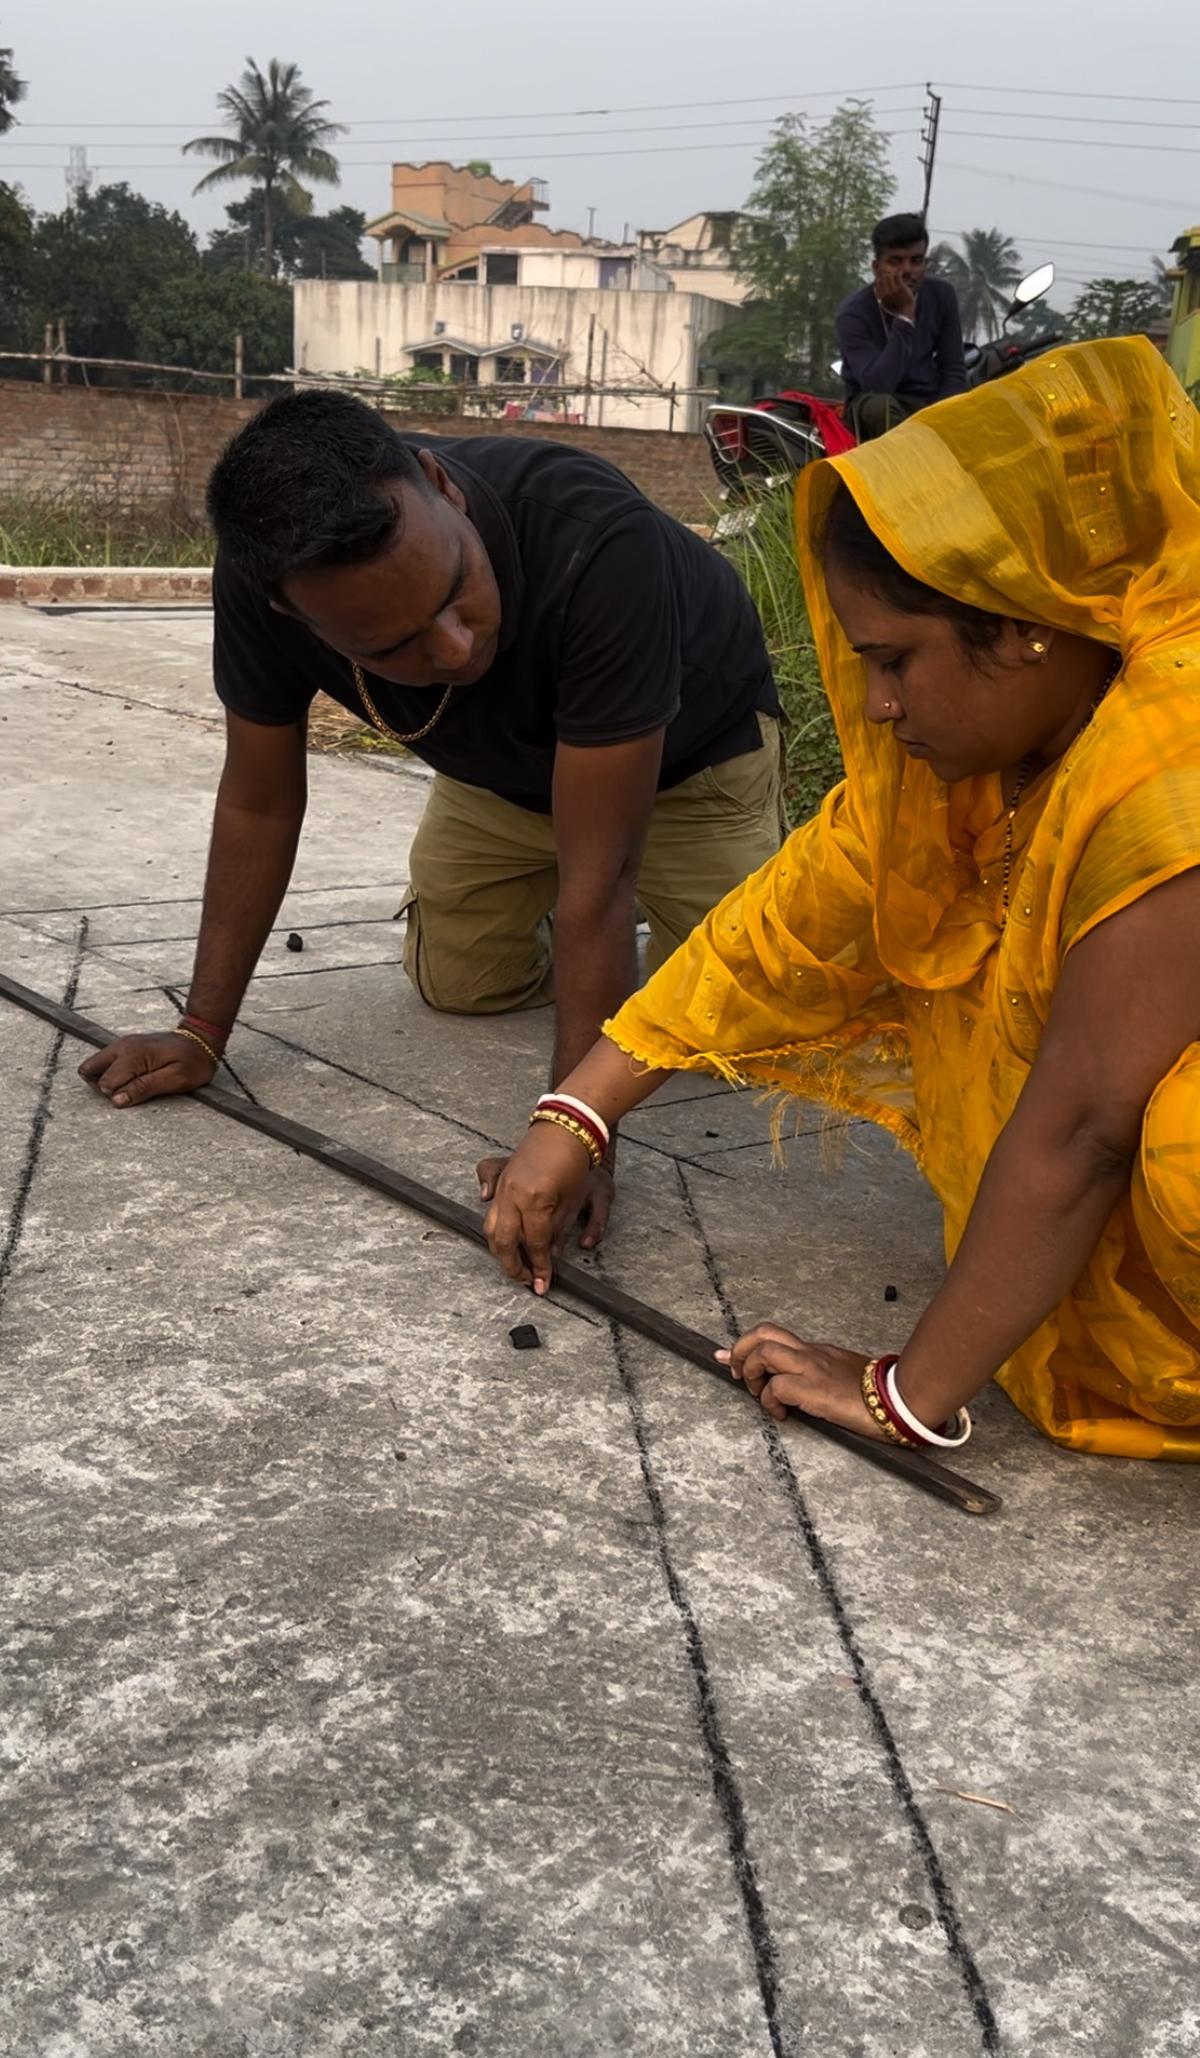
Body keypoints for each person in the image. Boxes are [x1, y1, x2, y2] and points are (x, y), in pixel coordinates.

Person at [483, 338, 1200, 1462]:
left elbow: (1085, 1131)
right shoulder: (980, 757)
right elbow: (773, 935)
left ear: (1025, 620)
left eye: (896, 661)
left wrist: (905, 1395)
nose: (875, 706)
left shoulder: (1172, 775)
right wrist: (576, 1113)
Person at [79, 392, 785, 1246]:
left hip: (687, 768)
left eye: (458, 590)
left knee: (740, 1035)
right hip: (498, 781)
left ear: (441, 486)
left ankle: (668, 939)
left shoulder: (598, 539)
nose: (455, 648)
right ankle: (621, 949)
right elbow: (259, 802)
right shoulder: (269, 573)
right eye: (394, 647)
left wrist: (578, 1132)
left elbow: (600, 882)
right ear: (293, 613)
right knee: (460, 986)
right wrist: (201, 1032)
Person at [837, 212, 967, 441]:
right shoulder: (853, 313)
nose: (907, 270)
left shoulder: (941, 295)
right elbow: (878, 384)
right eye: (895, 261)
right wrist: (905, 317)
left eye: (916, 261)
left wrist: (942, 417)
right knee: (880, 407)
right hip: (870, 407)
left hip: (926, 404)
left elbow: (953, 369)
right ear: (877, 267)